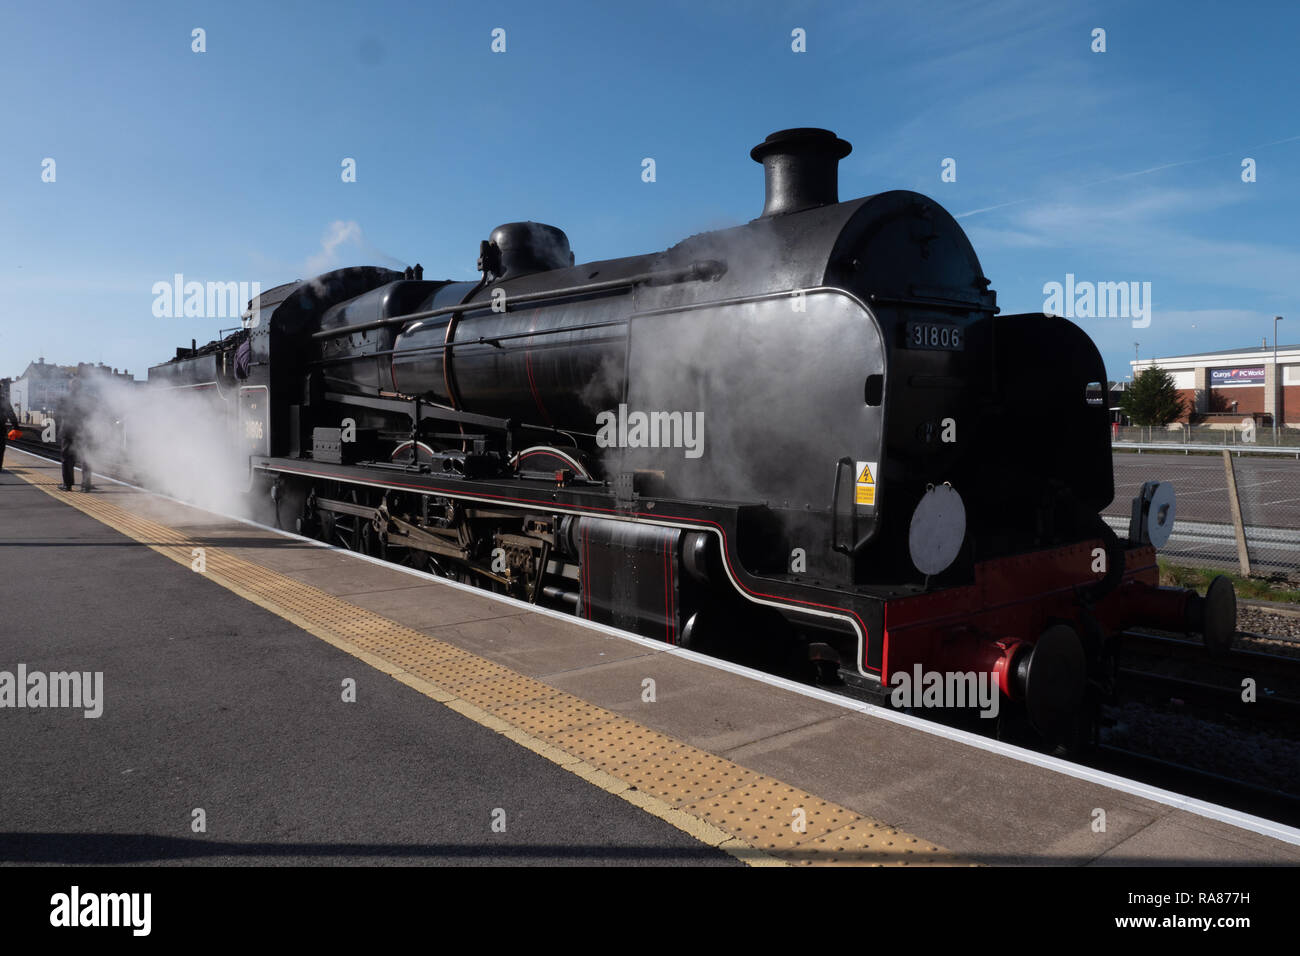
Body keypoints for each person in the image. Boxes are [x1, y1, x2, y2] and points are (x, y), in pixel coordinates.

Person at [57, 377, 95, 492]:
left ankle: (67, 485)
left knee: (67, 459)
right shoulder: (88, 399)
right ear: (81, 387)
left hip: (68, 432)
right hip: (84, 432)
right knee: (86, 458)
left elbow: (58, 415)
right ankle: (85, 485)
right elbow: (93, 415)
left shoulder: (64, 399)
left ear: (70, 387)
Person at [0, 390, 19, 471]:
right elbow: (11, 414)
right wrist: (15, 426)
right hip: (0, 428)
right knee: (0, 449)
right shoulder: (3, 400)